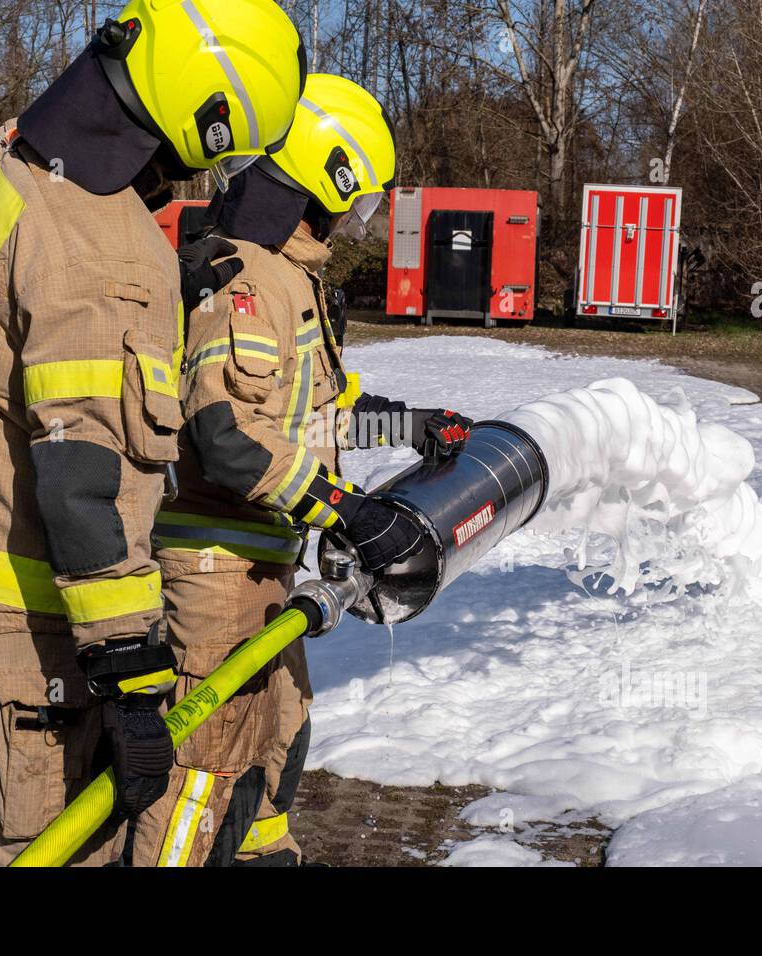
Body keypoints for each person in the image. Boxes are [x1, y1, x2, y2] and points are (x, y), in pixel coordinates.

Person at [0, 0, 305, 866]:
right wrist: (135, 682)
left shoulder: (6, 154)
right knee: (51, 845)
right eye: (205, 155)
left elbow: (20, 323)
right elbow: (81, 485)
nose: (194, 179)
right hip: (27, 602)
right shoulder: (98, 258)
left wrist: (155, 288)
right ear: (207, 115)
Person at [137, 74, 474, 866]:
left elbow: (313, 411)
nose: (355, 220)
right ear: (327, 177)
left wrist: (413, 426)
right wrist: (345, 511)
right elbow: (226, 437)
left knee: (281, 730)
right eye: (355, 200)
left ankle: (264, 856)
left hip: (263, 562)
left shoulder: (293, 278)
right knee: (206, 760)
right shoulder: (241, 277)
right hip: (213, 561)